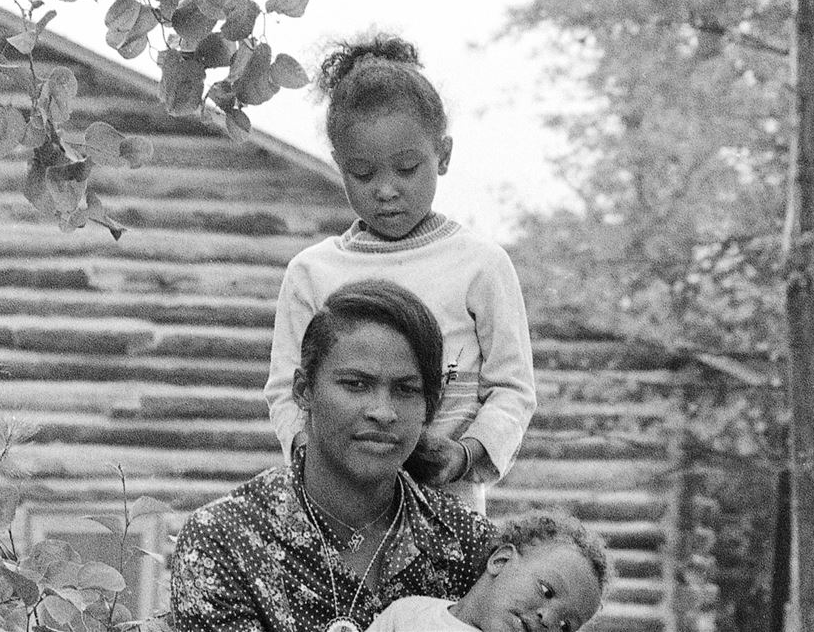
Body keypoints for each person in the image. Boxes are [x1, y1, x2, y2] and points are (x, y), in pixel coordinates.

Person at [265, 34, 537, 512]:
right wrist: (316, 464)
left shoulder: (480, 265)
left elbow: (513, 390)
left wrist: (465, 454)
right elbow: (286, 391)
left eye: (407, 168)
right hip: (337, 510)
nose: (386, 190)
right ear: (339, 166)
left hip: (446, 509)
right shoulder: (312, 273)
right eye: (363, 174)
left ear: (443, 155)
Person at [171, 280, 496, 632]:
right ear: (303, 391)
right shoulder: (227, 539)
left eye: (406, 390)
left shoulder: (466, 546)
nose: (383, 412)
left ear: (428, 408)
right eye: (356, 384)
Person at [365, 513, 609, 632]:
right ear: (501, 561)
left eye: (566, 626)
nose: (548, 620)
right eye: (546, 591)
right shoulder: (409, 614)